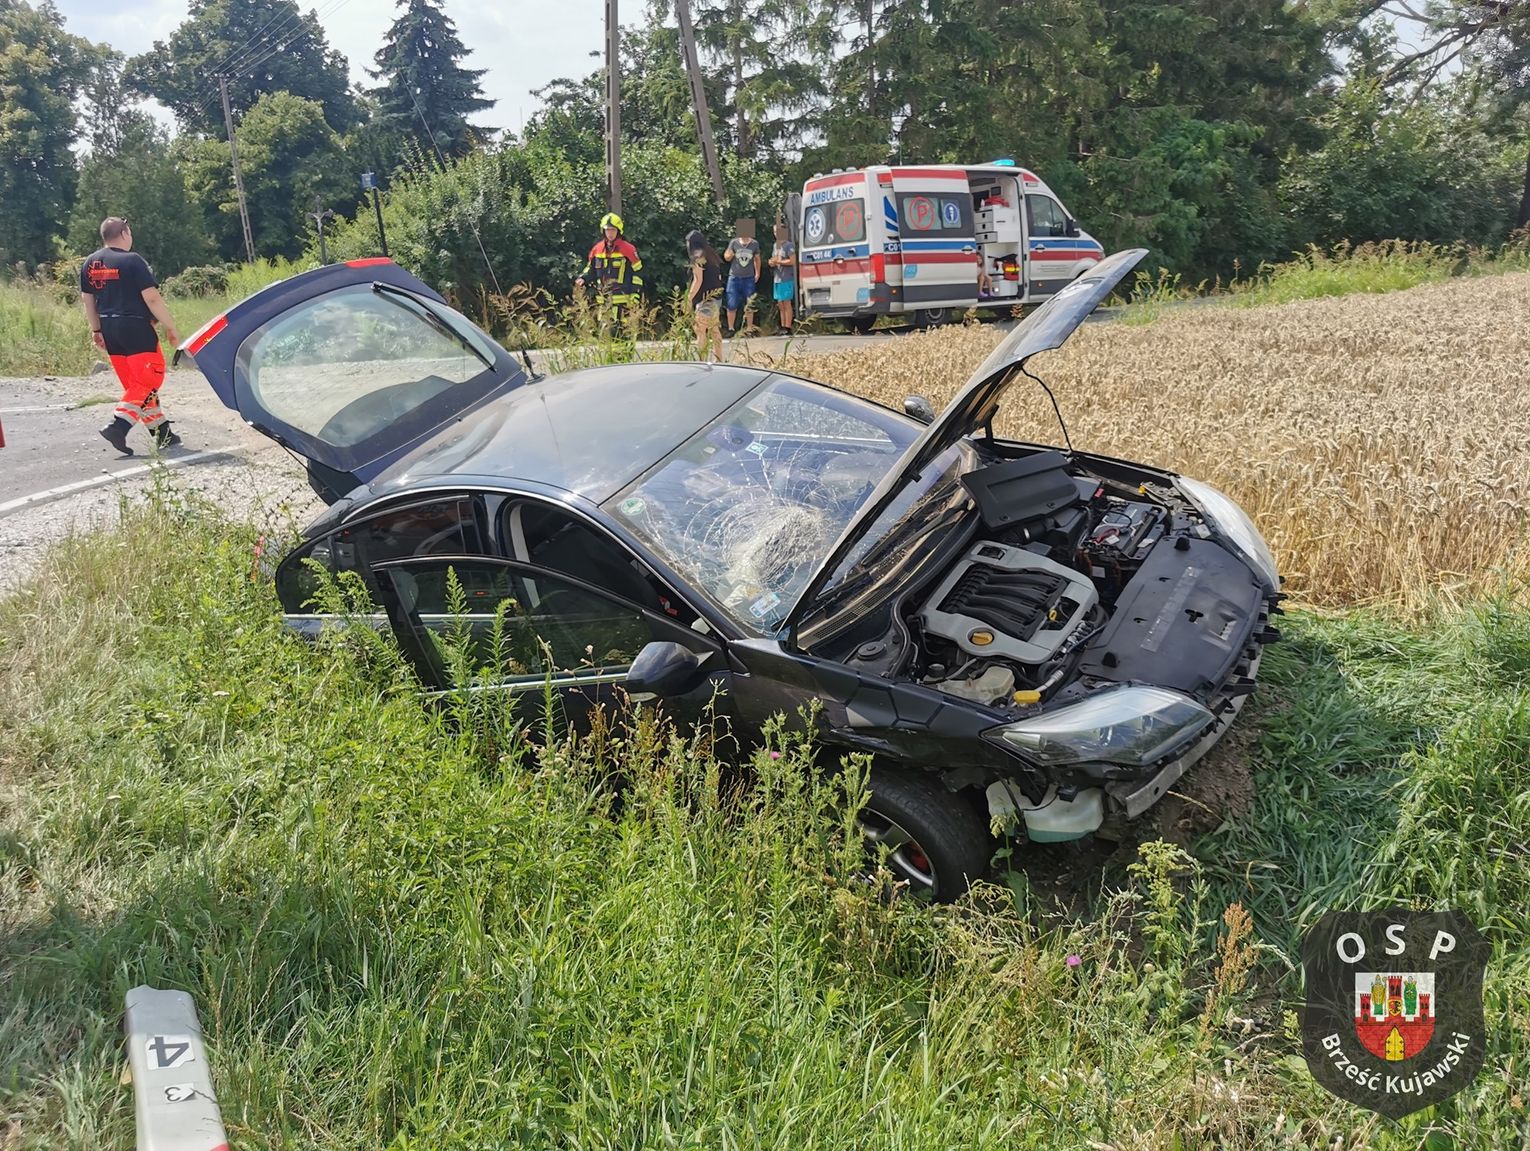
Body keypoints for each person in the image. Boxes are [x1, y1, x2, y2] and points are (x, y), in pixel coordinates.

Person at [79, 217, 181, 455]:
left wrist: (96, 330)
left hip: (110, 329)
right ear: (124, 233)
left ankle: (162, 433)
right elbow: (152, 298)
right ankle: (118, 426)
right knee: (148, 381)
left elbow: (88, 301)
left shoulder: (90, 263)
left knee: (137, 386)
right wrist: (170, 326)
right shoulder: (132, 260)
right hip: (136, 328)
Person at [575, 213, 644, 326]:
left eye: (613, 230)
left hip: (624, 301)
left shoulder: (628, 249)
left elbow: (638, 274)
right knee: (605, 334)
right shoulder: (597, 249)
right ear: (603, 231)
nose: (610, 233)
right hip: (603, 302)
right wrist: (582, 278)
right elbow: (590, 269)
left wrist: (635, 295)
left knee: (623, 334)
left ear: (618, 230)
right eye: (607, 230)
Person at [686, 230, 724, 363]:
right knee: (714, 329)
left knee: (700, 329)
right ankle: (719, 359)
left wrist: (689, 298)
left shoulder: (697, 257)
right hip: (717, 296)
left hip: (705, 298)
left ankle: (701, 360)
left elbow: (698, 280)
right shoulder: (711, 254)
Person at [722, 218, 761, 337]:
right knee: (731, 303)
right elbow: (726, 256)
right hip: (734, 277)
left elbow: (757, 258)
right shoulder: (734, 242)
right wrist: (730, 255)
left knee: (749, 303)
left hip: (748, 277)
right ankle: (731, 328)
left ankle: (749, 329)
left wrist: (757, 273)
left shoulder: (754, 244)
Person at [768, 222, 797, 334]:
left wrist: (779, 261)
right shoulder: (775, 246)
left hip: (786, 278)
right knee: (780, 303)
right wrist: (771, 262)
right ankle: (782, 325)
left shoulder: (788, 245)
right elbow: (774, 258)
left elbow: (792, 261)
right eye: (775, 232)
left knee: (786, 302)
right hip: (777, 278)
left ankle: (788, 327)